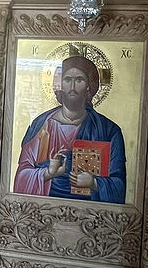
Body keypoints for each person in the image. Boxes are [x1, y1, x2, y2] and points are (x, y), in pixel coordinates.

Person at [13, 56, 126, 203]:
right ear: (60, 85)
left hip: (91, 213)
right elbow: (22, 176)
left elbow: (119, 186)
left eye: (79, 80)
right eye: (67, 80)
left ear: (88, 87)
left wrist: (94, 183)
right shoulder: (42, 125)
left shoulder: (109, 131)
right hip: (44, 209)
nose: (72, 87)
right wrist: (48, 173)